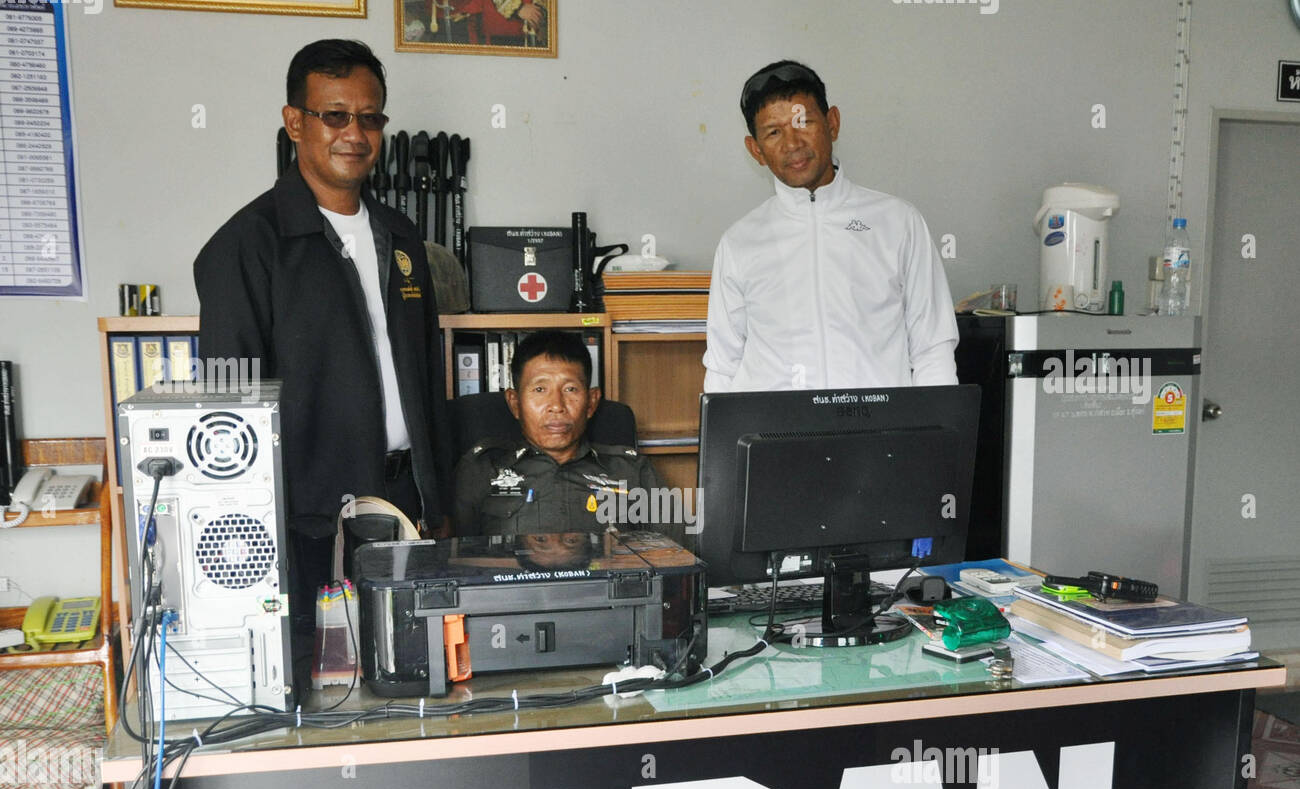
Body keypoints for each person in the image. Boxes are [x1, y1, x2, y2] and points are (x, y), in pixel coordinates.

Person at [193, 39, 454, 624]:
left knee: (411, 674)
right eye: (334, 116)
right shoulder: (245, 246)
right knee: (323, 682)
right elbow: (231, 411)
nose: (353, 134)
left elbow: (426, 372)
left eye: (369, 118)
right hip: (309, 522)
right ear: (294, 122)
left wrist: (437, 495)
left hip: (407, 501)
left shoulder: (402, 236)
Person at [703, 60, 959, 393]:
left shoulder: (898, 223)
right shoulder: (739, 243)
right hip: (776, 441)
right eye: (774, 132)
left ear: (832, 123)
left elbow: (932, 348)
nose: (792, 143)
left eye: (803, 122)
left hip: (876, 437)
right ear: (757, 151)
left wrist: (934, 439)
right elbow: (723, 365)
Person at [454, 330, 672, 538]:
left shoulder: (631, 470)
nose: (556, 406)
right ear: (515, 403)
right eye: (540, 390)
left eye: (570, 389)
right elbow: (454, 560)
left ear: (591, 402)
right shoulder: (483, 469)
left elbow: (675, 557)